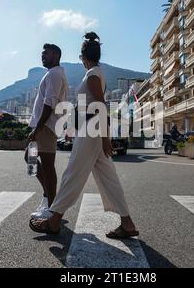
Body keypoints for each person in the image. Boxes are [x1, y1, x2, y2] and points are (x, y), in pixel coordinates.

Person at [30, 32, 139, 239]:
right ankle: (127, 223)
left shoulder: (92, 75)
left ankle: (54, 220)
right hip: (90, 129)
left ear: (82, 57)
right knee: (109, 178)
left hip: (92, 130)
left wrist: (105, 137)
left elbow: (100, 107)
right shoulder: (97, 72)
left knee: (72, 173)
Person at [28, 44, 68, 220]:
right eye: (42, 53)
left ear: (56, 55)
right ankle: (49, 198)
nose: (42, 56)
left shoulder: (54, 74)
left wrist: (38, 128)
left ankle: (51, 205)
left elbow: (49, 103)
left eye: (46, 53)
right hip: (43, 126)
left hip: (45, 127)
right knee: (30, 159)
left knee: (47, 165)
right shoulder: (53, 73)